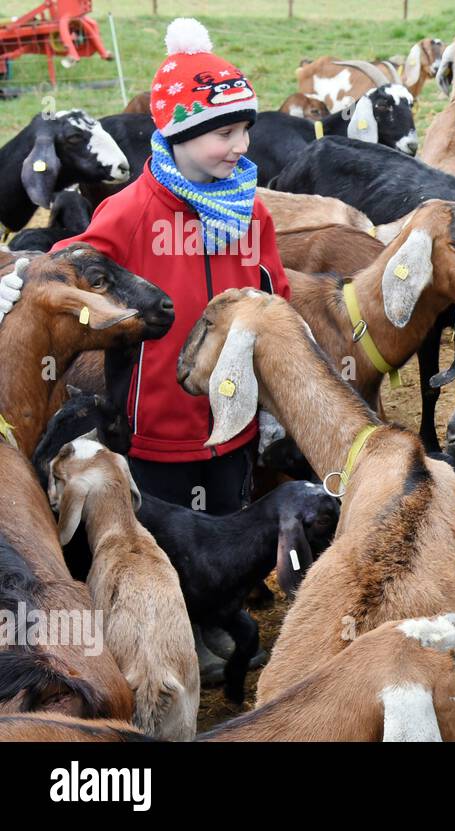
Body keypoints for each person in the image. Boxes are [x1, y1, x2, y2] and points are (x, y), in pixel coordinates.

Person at [48, 18, 291, 679]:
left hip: (232, 418)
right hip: (155, 425)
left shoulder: (251, 211)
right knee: (167, 542)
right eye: (224, 132)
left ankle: (216, 624)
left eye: (245, 130)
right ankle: (175, 633)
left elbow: (273, 290)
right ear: (178, 133)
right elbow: (69, 276)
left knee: (229, 530)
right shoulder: (130, 212)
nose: (240, 146)